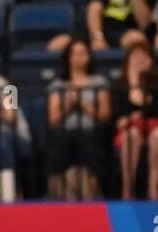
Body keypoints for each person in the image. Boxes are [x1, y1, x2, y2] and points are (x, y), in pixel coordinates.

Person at [45, 38, 110, 200]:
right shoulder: (58, 85)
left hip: (91, 132)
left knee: (89, 145)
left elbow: (104, 115)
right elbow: (53, 120)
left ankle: (94, 197)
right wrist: (69, 103)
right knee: (59, 146)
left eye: (82, 53)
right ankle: (55, 197)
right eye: (74, 53)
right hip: (64, 133)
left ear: (89, 56)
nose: (78, 57)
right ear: (67, 57)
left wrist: (82, 102)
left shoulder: (99, 82)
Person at [111, 39, 158, 201]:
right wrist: (133, 84)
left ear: (151, 61)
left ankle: (154, 188)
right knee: (132, 135)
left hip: (156, 130)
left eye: (144, 57)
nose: (140, 61)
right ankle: (128, 189)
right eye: (136, 57)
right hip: (129, 132)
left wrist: (138, 111)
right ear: (128, 61)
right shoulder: (120, 84)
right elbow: (117, 116)